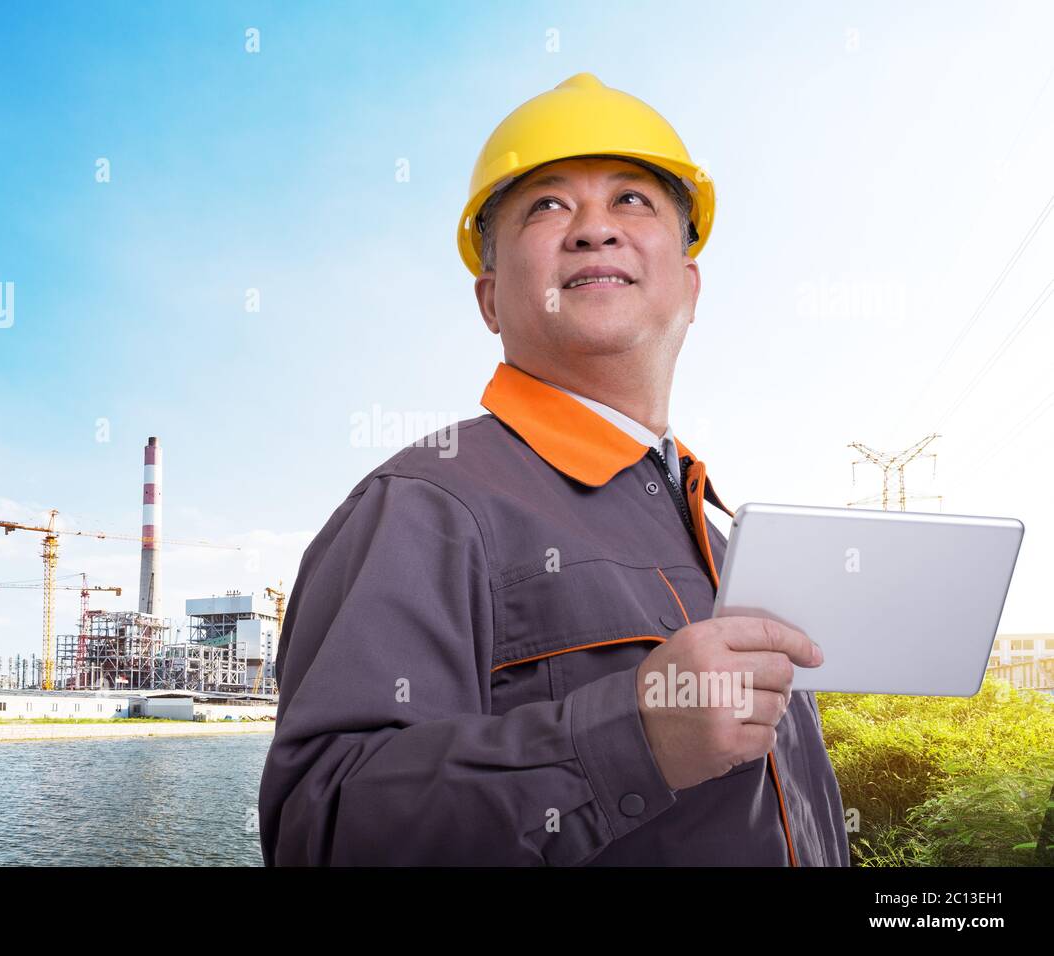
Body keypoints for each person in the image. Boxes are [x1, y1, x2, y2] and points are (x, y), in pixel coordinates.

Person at [258, 73, 850, 866]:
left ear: (690, 281)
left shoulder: (716, 531)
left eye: (633, 200)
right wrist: (629, 741)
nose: (593, 230)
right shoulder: (425, 508)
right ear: (491, 299)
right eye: (546, 205)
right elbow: (319, 831)